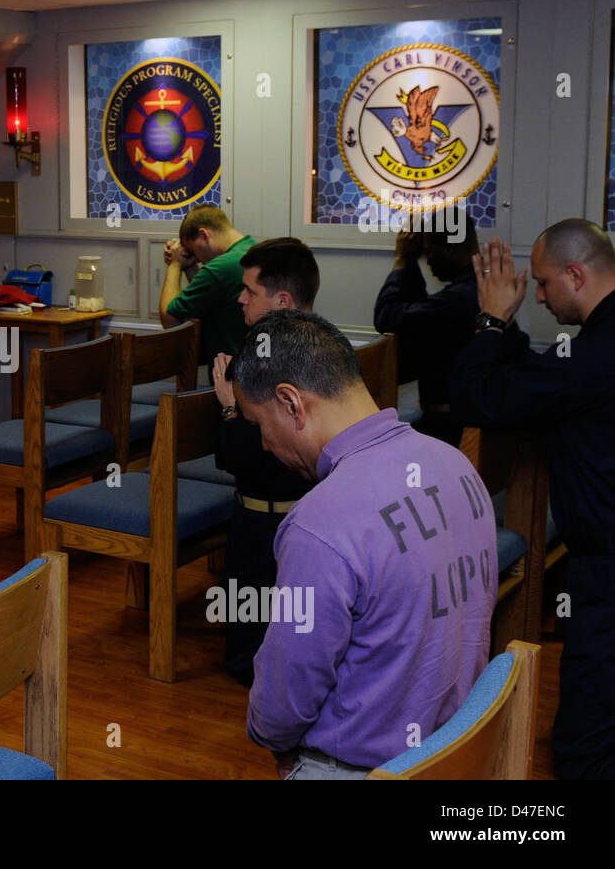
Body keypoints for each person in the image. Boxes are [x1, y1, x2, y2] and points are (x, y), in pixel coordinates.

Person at [233, 310, 495, 779]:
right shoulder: (456, 464)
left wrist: (270, 737)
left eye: (257, 424)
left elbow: (285, 699)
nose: (266, 446)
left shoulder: (319, 523)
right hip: (454, 753)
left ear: (291, 403)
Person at [450, 220, 615, 780]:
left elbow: (477, 398)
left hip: (606, 571)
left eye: (544, 284)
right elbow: (546, 376)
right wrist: (509, 328)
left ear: (576, 273)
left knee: (583, 747)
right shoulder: (594, 348)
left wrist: (492, 319)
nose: (539, 295)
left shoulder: (594, 357)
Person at [209, 238, 319, 687]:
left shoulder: (263, 359)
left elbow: (236, 457)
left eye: (250, 290)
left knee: (249, 662)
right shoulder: (326, 345)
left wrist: (229, 405)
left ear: (283, 300)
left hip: (265, 521)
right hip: (312, 515)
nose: (240, 298)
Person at [373, 208, 479, 445]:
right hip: (461, 418)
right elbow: (420, 313)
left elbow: (387, 317)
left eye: (430, 252)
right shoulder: (479, 288)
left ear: (451, 248)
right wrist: (411, 263)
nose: (428, 260)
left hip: (448, 428)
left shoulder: (457, 300)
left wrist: (402, 259)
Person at [158, 205, 255, 364]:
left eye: (192, 250)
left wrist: (175, 264)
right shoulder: (253, 249)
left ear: (203, 235)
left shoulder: (220, 267)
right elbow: (210, 296)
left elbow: (169, 320)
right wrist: (189, 267)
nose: (196, 258)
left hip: (230, 375)